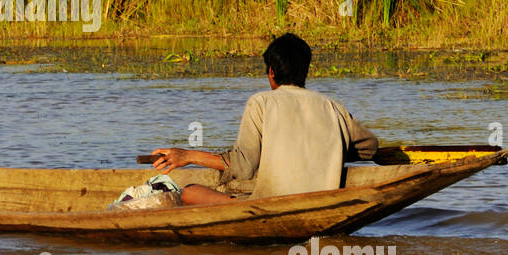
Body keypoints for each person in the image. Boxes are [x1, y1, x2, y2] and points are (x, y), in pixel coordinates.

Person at [150, 33, 377, 204]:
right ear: (305, 71)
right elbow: (370, 147)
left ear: (271, 72)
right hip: (322, 202)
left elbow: (242, 165)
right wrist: (329, 150)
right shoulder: (332, 106)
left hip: (270, 204)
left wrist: (188, 156)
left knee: (189, 192)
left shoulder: (261, 103)